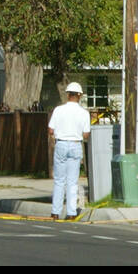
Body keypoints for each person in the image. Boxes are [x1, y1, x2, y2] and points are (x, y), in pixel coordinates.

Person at [48, 81, 92, 220]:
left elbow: (51, 129)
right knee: (72, 181)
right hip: (75, 144)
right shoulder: (84, 113)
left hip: (61, 144)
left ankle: (55, 212)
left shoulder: (58, 110)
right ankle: (72, 213)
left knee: (59, 180)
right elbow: (86, 134)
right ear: (79, 96)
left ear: (68, 95)